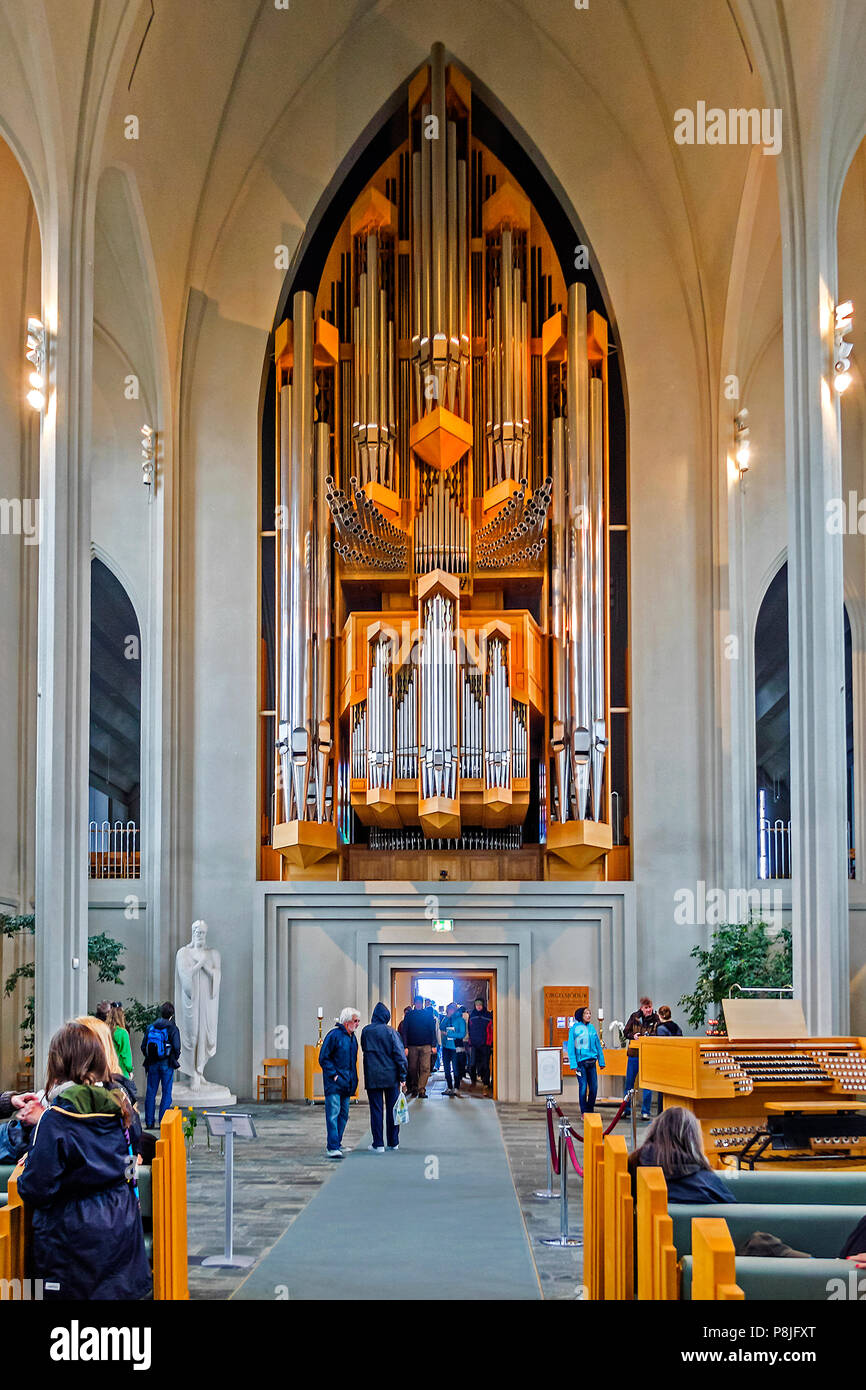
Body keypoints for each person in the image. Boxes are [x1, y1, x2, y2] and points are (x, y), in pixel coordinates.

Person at [17, 1020, 152, 1300]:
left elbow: (36, 1189)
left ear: (59, 1064)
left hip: (72, 1241)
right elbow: (130, 1163)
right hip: (120, 1227)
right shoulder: (122, 1109)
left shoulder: (54, 1120)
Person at [628, 1106, 737, 1204]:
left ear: (655, 1132)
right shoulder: (709, 1184)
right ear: (693, 1140)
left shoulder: (634, 1166)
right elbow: (733, 1214)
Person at [360, 1003, 407, 1152]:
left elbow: (363, 1048)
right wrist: (403, 1075)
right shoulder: (391, 1032)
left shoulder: (366, 1031)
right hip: (391, 1076)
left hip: (373, 1075)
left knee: (376, 1109)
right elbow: (400, 1056)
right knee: (393, 1109)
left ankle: (378, 1143)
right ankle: (393, 1142)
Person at [318, 1007, 360, 1156]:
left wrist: (354, 1080)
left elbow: (352, 1062)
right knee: (333, 1114)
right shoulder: (333, 1035)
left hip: (346, 1083)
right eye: (355, 1021)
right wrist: (334, 1076)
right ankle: (332, 1147)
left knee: (343, 1114)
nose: (357, 1024)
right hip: (334, 1084)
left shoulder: (352, 1038)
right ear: (347, 1021)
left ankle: (337, 1143)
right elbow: (323, 1058)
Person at [141, 1001, 181, 1129]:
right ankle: (163, 1122)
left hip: (152, 1064)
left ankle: (149, 1122)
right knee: (166, 1093)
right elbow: (177, 1047)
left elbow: (143, 1046)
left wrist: (151, 1057)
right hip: (166, 1064)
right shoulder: (172, 1028)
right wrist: (173, 1058)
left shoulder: (151, 1027)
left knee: (151, 1092)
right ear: (171, 1015)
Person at [622, 996, 660, 1120]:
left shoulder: (656, 1019)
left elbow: (658, 1033)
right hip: (634, 1055)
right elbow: (625, 1032)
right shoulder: (634, 1017)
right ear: (641, 1008)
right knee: (629, 1083)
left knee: (647, 1085)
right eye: (646, 1008)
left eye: (650, 1007)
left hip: (648, 1055)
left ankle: (645, 1111)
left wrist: (647, 1036)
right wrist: (634, 1035)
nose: (648, 1010)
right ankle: (625, 1110)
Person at [565, 1006, 606, 1114]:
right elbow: (570, 1046)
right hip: (580, 1063)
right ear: (580, 1016)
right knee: (583, 1088)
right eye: (586, 1013)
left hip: (592, 1062)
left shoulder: (592, 1028)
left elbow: (598, 1045)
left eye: (589, 1013)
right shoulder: (574, 1028)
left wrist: (601, 1061)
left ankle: (590, 1109)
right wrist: (573, 1063)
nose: (588, 1015)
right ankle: (584, 1112)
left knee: (594, 1088)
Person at [648, 1004, 683, 1116]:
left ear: (660, 1015)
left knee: (662, 1093)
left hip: (665, 1063)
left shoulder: (661, 1029)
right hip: (677, 1062)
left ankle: (662, 1116)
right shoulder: (677, 1027)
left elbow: (661, 1048)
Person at [403, 996, 438, 1098]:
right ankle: (414, 1086)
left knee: (425, 1068)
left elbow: (432, 1030)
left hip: (426, 1045)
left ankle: (421, 1089)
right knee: (412, 1068)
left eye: (420, 1002)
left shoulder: (428, 1015)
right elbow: (405, 1031)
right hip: (412, 1045)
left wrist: (433, 1045)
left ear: (422, 1003)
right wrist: (405, 1046)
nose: (418, 1004)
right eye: (417, 1002)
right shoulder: (409, 1015)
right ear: (414, 1003)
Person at [96, 1000, 134, 1079]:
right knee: (132, 1091)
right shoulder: (122, 1033)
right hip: (120, 1072)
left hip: (105, 1072)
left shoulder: (104, 1030)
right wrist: (130, 1070)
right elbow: (126, 1055)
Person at [441, 1001, 466, 1096]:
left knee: (456, 1068)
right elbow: (441, 1027)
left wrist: (450, 1034)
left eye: (452, 1009)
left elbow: (462, 1034)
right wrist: (447, 1017)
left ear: (455, 1010)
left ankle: (456, 1087)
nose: (450, 1011)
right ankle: (449, 1087)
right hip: (445, 1046)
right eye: (449, 1009)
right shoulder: (447, 1018)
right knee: (446, 1068)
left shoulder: (460, 1020)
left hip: (455, 1047)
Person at [468, 997, 492, 1088]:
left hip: (485, 1044)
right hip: (474, 1043)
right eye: (476, 1005)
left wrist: (489, 1042)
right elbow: (469, 1029)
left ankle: (486, 1082)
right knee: (472, 1064)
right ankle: (473, 1080)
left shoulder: (488, 1015)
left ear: (483, 1005)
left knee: (485, 1064)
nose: (478, 1007)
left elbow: (491, 1030)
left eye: (480, 1005)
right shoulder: (472, 1015)